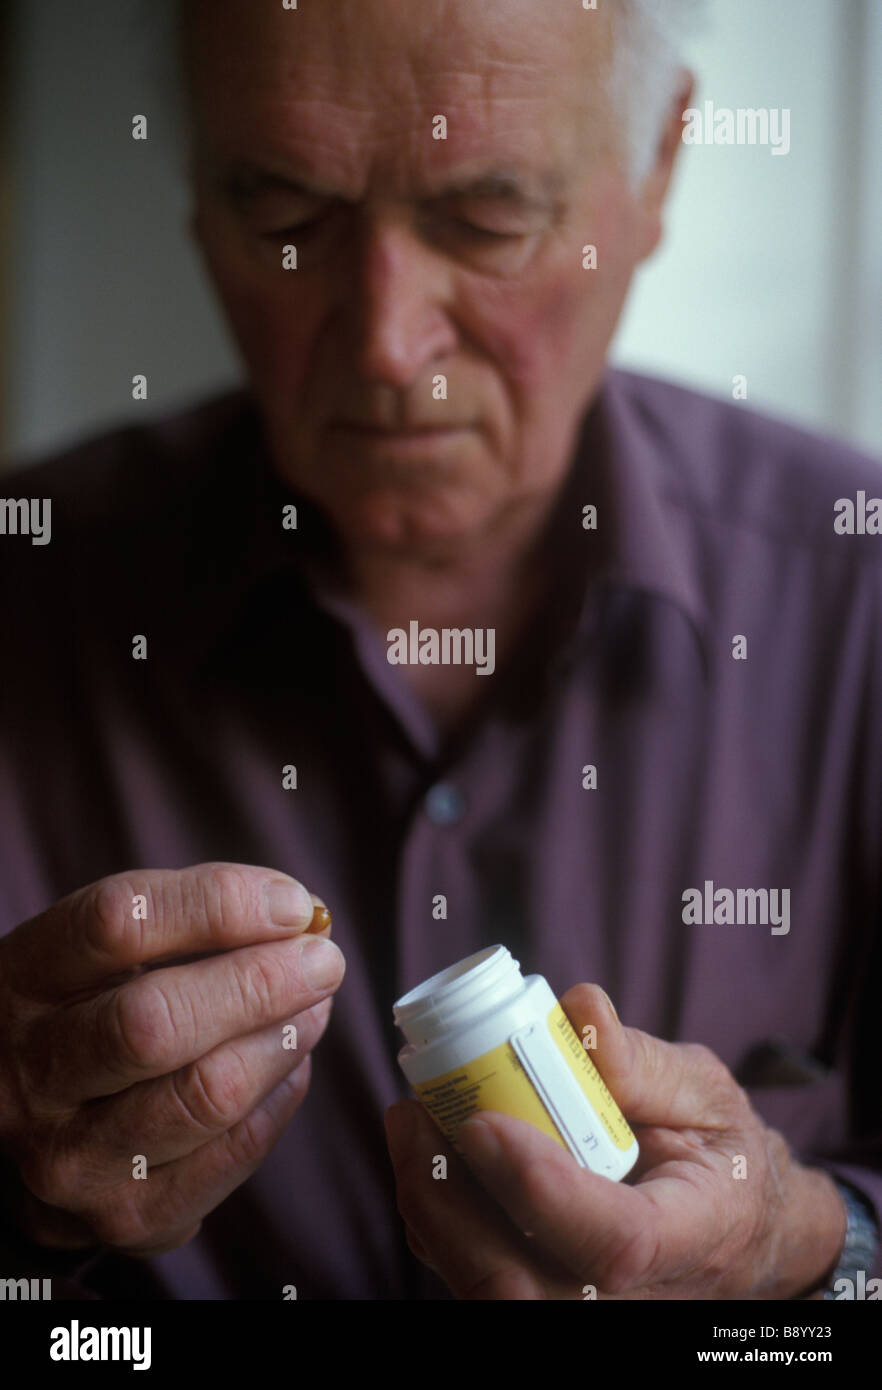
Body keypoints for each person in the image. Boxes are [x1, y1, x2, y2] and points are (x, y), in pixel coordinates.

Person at [0, 0, 879, 1301]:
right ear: (196, 194)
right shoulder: (28, 601)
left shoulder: (852, 598)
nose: (384, 341)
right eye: (287, 215)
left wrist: (812, 1247)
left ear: (658, 168)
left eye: (484, 218)